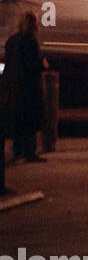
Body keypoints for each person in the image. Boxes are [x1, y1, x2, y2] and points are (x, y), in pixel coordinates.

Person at [2, 13, 45, 163]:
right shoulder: (30, 41)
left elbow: (8, 64)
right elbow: (36, 64)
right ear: (32, 24)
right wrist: (44, 63)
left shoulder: (12, 40)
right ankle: (30, 153)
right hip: (29, 87)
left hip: (15, 87)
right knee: (30, 120)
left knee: (18, 120)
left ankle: (17, 151)